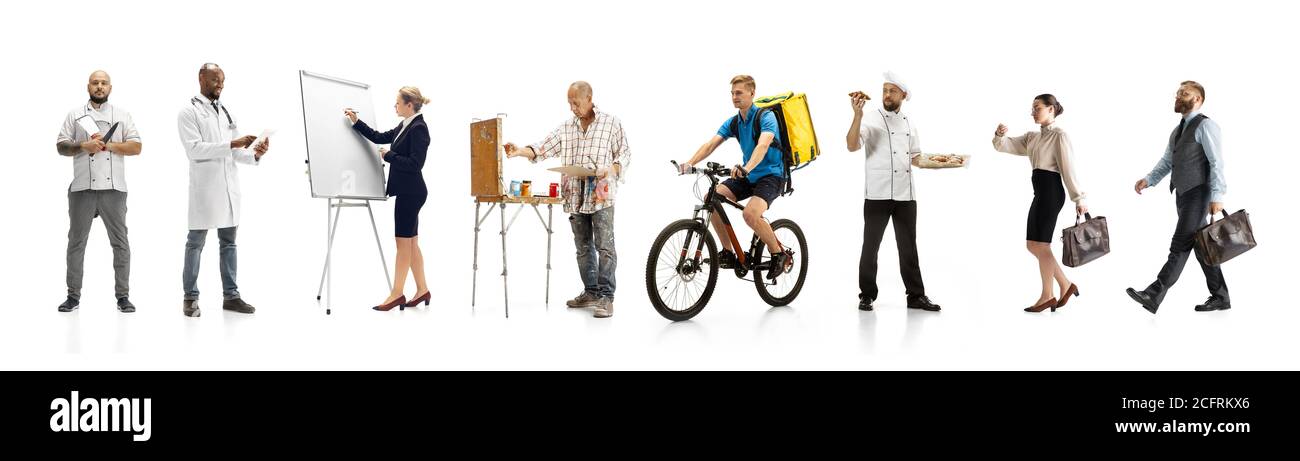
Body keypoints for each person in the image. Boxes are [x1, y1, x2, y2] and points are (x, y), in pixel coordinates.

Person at [504, 81, 631, 319]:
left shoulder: (611, 123)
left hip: (601, 195)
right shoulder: (566, 128)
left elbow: (624, 153)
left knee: (605, 246)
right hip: (575, 195)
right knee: (582, 248)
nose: (572, 108)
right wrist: (520, 151)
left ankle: (606, 296)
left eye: (576, 103)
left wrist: (611, 169)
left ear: (589, 97)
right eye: (569, 103)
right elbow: (544, 147)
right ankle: (591, 291)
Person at [1126, 81, 1230, 314]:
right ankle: (1221, 296)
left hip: (1199, 194)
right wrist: (1149, 179)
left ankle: (1154, 293)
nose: (1179, 96)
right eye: (1178, 93)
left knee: (1180, 244)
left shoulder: (1206, 126)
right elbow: (1167, 162)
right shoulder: (1177, 130)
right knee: (1202, 247)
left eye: (1185, 93)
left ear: (1198, 99)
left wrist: (1217, 195)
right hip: (1183, 195)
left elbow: (1216, 163)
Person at [177, 63, 270, 317]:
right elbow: (194, 149)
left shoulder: (225, 111)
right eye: (215, 80)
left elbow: (237, 153)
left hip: (229, 190)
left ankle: (231, 296)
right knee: (195, 243)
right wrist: (232, 143)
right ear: (201, 78)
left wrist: (256, 154)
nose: (220, 85)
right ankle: (190, 297)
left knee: (229, 243)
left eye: (223, 81)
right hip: (205, 191)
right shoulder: (188, 112)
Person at [678, 75, 791, 281]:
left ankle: (778, 254)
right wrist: (690, 163)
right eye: (732, 93)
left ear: (752, 93)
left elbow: (763, 145)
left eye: (738, 92)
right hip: (749, 175)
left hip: (772, 175)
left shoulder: (766, 117)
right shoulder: (735, 122)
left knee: (750, 215)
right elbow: (711, 144)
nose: (734, 97)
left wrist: (746, 168)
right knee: (711, 198)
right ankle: (728, 252)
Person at [845, 71, 940, 312]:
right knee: (871, 247)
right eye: (885, 90)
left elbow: (916, 157)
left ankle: (916, 296)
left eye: (892, 91)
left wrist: (941, 162)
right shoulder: (870, 119)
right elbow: (852, 145)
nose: (887, 95)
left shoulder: (909, 122)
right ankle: (866, 295)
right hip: (877, 193)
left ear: (903, 95)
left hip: (906, 195)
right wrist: (857, 115)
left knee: (909, 247)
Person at [55, 70, 142, 313]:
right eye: (95, 83)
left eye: (104, 83)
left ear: (110, 88)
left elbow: (136, 147)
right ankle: (73, 296)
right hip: (82, 187)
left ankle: (123, 297)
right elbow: (61, 146)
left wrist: (108, 145)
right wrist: (85, 145)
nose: (99, 87)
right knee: (76, 243)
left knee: (120, 243)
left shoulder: (122, 115)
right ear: (88, 86)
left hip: (114, 189)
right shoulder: (75, 115)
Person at [992, 94, 1088, 313]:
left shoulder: (1060, 136)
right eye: (1032, 108)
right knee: (1033, 245)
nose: (1033, 112)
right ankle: (1065, 285)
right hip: (1040, 193)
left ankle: (1048, 295)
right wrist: (1000, 135)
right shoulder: (1032, 138)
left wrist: (1079, 198)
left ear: (1051, 109)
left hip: (1052, 193)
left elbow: (1068, 169)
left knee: (1041, 246)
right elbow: (1004, 146)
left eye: (1037, 108)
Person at [345, 86, 431, 311]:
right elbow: (379, 136)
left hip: (411, 192)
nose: (395, 106)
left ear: (409, 105)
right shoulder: (406, 125)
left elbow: (416, 164)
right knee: (410, 243)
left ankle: (396, 294)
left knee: (402, 243)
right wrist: (357, 122)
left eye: (398, 102)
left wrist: (389, 155)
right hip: (408, 191)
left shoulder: (419, 128)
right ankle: (422, 290)